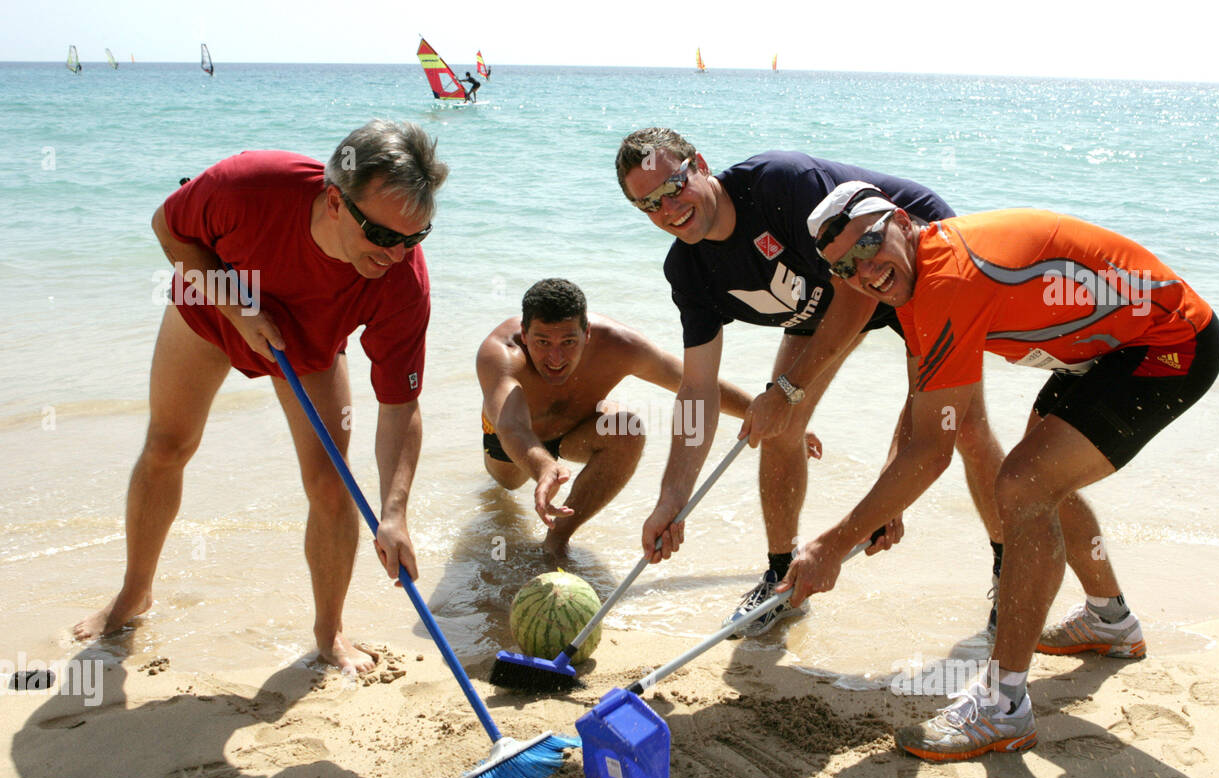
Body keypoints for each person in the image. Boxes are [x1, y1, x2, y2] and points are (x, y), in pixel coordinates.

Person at [786, 182, 1219, 760]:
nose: (865, 270)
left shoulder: (949, 279)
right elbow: (928, 420)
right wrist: (884, 510)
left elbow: (930, 452)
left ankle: (1004, 706)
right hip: (1105, 348)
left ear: (899, 220)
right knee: (1043, 477)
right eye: (845, 266)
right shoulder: (919, 278)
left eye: (869, 245)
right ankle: (1109, 620)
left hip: (1170, 341)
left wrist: (831, 544)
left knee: (1023, 484)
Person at [74, 119, 448, 674]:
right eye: (385, 236)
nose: (396, 254)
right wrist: (238, 310)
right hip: (211, 309)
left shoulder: (403, 283)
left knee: (329, 483)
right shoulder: (248, 185)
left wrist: (395, 514)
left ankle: (330, 631)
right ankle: (134, 592)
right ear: (335, 202)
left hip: (311, 345)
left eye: (415, 238)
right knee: (167, 447)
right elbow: (168, 227)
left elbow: (399, 406)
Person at [615, 128, 1008, 639]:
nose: (668, 209)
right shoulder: (689, 270)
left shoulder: (780, 184)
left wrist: (787, 391)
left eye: (673, 186)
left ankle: (1011, 566)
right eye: (649, 204)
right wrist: (671, 497)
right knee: (779, 428)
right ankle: (783, 578)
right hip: (826, 299)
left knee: (963, 427)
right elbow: (697, 391)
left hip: (904, 266)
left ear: (702, 165)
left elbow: (861, 293)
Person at [477, 278, 794, 562]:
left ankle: (557, 540)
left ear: (587, 333)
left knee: (627, 429)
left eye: (568, 343)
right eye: (543, 342)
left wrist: (769, 413)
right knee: (503, 489)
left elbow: (694, 382)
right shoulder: (500, 354)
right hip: (516, 441)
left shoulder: (619, 344)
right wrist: (544, 467)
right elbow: (513, 426)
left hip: (577, 427)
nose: (555, 359)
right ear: (524, 334)